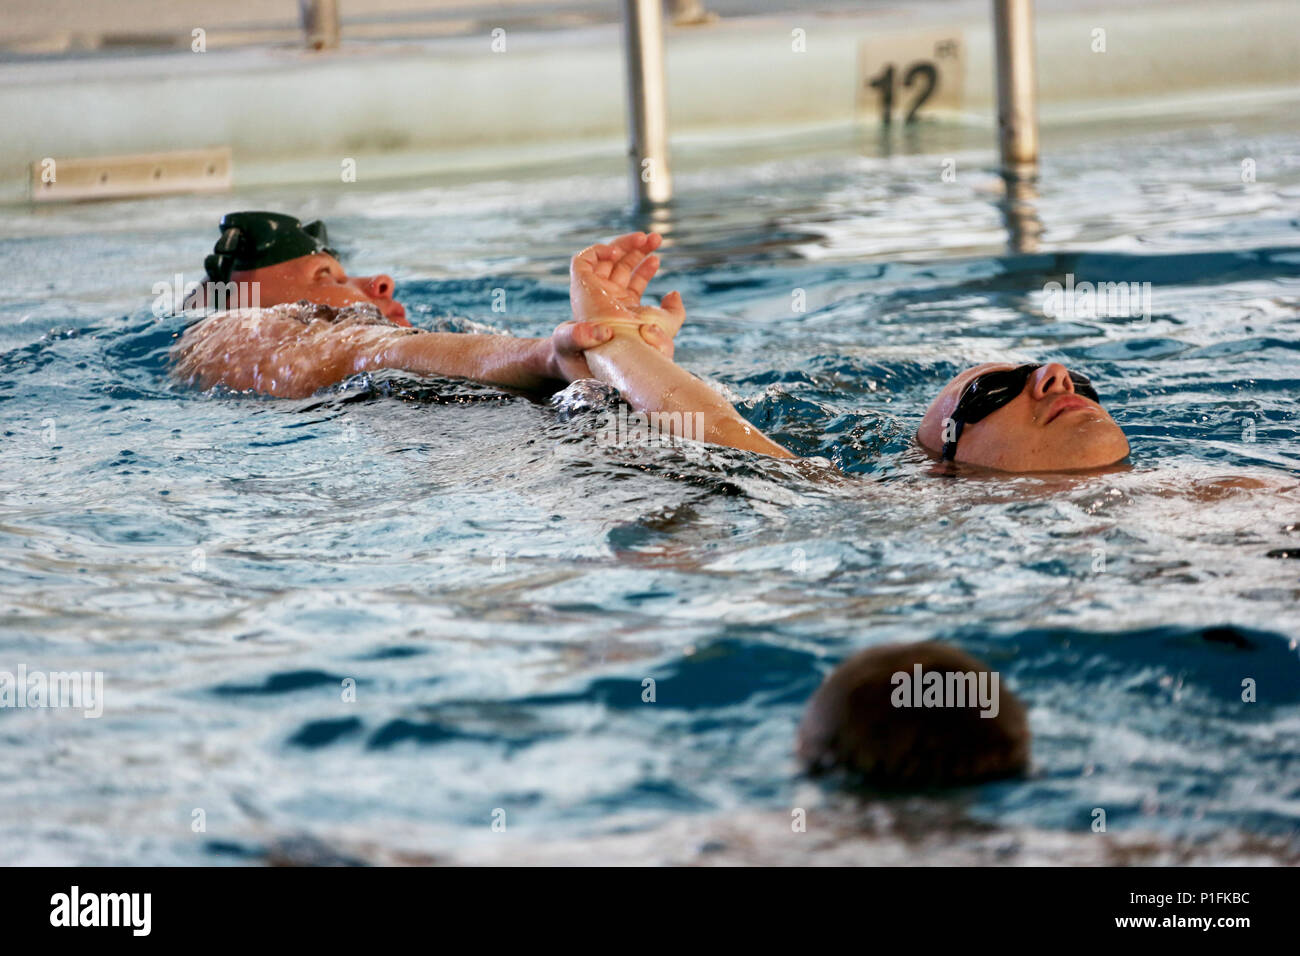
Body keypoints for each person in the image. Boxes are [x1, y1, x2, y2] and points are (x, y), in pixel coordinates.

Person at [171, 212, 682, 399]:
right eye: (329, 276)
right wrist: (549, 357)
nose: (382, 282)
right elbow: (365, 353)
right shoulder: (230, 330)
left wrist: (618, 352)